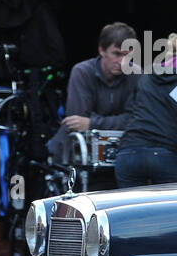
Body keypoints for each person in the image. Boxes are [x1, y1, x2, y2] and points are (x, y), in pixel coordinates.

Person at [47, 22, 138, 162]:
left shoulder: (136, 74)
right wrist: (116, 121)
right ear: (102, 50)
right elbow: (77, 122)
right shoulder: (82, 72)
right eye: (117, 54)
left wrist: (92, 123)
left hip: (119, 151)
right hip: (75, 151)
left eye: (127, 55)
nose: (122, 61)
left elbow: (135, 120)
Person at [114, 34, 177, 187]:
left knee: (129, 210)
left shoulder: (147, 75)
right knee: (168, 211)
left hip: (129, 151)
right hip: (166, 152)